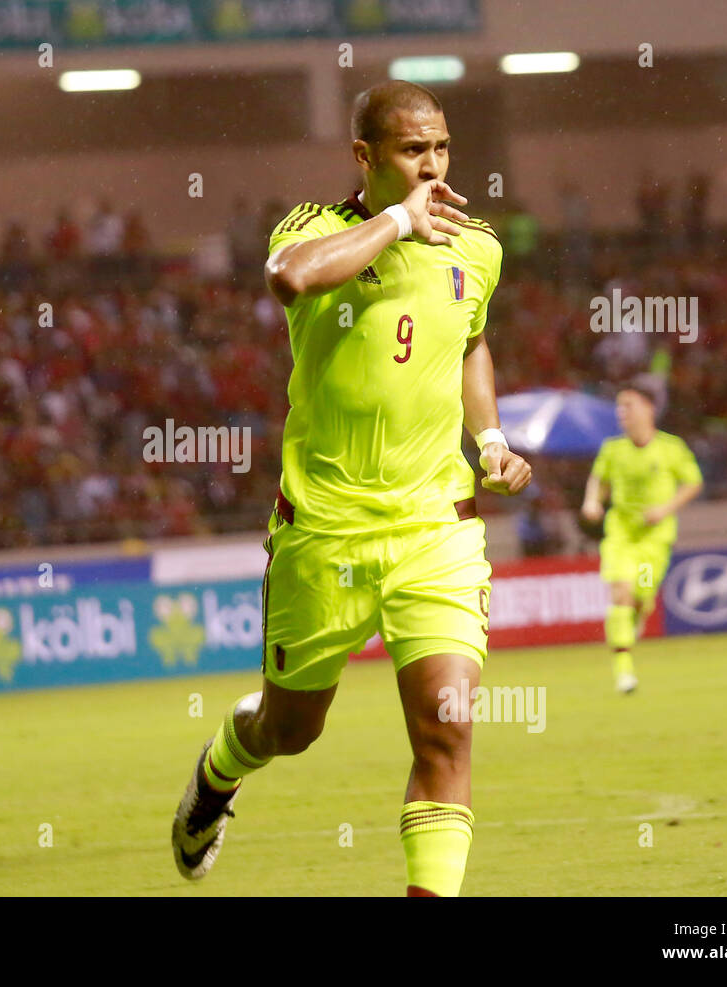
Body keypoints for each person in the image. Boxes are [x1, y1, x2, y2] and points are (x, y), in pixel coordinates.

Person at [171, 81, 533, 896]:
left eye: (440, 148)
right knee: (289, 729)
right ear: (366, 156)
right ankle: (222, 769)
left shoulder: (476, 246)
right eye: (412, 151)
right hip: (325, 534)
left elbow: (472, 340)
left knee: (446, 734)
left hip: (436, 528)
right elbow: (291, 279)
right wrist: (400, 219)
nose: (432, 166)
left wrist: (493, 440)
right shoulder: (316, 227)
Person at [580, 378, 703, 692]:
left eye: (628, 405)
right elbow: (599, 480)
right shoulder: (612, 450)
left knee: (640, 596)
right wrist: (592, 501)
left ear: (649, 409)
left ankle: (637, 613)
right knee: (620, 591)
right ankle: (624, 670)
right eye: (619, 406)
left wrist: (665, 509)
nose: (622, 412)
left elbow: (692, 483)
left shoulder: (670, 448)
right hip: (621, 534)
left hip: (655, 539)